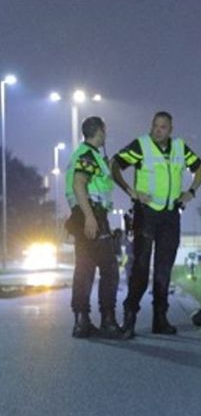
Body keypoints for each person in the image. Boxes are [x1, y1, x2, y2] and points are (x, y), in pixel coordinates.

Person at [111, 111, 201, 336]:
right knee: (141, 269)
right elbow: (114, 164)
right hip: (145, 214)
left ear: (170, 129)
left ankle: (160, 318)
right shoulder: (141, 145)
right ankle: (130, 315)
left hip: (171, 215)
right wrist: (130, 191)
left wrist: (190, 192)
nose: (157, 130)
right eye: (155, 126)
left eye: (163, 127)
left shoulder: (180, 147)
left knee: (164, 270)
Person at [64, 116, 129, 339]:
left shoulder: (87, 154)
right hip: (91, 215)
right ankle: (108, 321)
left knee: (85, 268)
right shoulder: (87, 155)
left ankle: (81, 322)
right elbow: (79, 183)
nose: (106, 135)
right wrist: (91, 218)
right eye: (104, 131)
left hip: (82, 215)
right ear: (100, 131)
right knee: (110, 269)